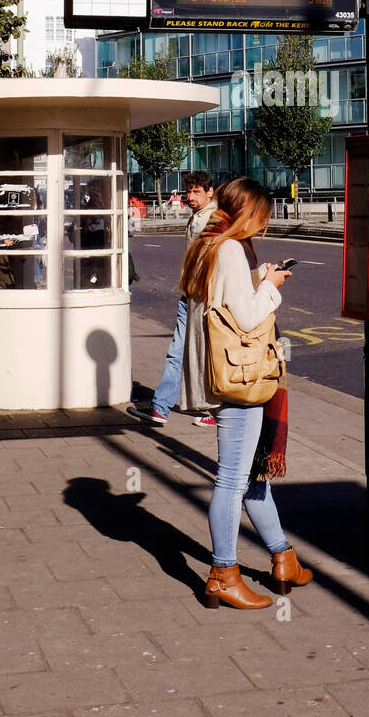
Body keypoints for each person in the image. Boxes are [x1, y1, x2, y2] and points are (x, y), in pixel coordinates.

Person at [181, 177, 313, 610]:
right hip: (241, 378)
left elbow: (219, 297)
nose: (265, 225)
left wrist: (259, 275)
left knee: (253, 475)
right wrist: (271, 287)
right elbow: (246, 313)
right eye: (261, 216)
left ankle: (282, 557)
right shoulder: (232, 248)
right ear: (246, 213)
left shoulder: (209, 241)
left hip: (221, 371)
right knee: (233, 480)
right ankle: (222, 573)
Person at [127, 171, 218, 427]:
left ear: (210, 192)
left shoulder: (210, 220)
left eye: (197, 191)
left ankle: (210, 408)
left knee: (200, 352)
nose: (190, 197)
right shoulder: (198, 217)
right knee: (178, 352)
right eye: (188, 191)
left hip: (202, 297)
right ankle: (161, 407)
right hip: (190, 295)